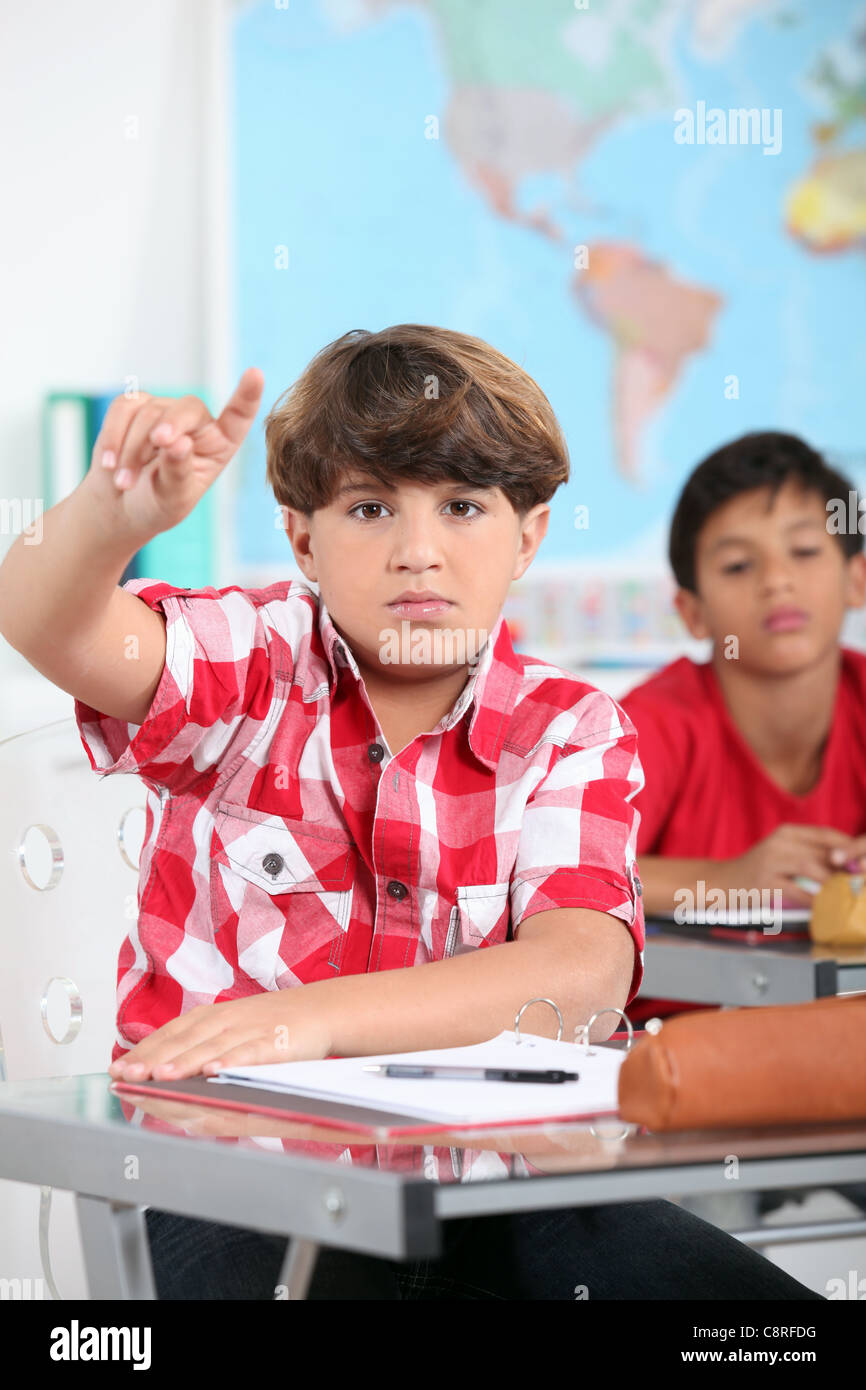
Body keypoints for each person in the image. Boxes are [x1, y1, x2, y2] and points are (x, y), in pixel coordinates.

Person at [0, 330, 822, 1299]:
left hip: (504, 1184)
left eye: (463, 506)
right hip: (243, 1186)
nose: (417, 551)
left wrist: (302, 1022)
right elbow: (43, 621)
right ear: (303, 537)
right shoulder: (250, 662)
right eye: (370, 507)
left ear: (528, 536)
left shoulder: (570, 728)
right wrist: (109, 517)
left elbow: (581, 973)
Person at [619, 430, 866, 1220]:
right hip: (682, 1079)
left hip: (842, 1068)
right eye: (737, 565)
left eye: (805, 550)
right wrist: (719, 880)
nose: (776, 583)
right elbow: (560, 874)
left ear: (857, 576)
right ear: (691, 611)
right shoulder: (654, 725)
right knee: (696, 1247)